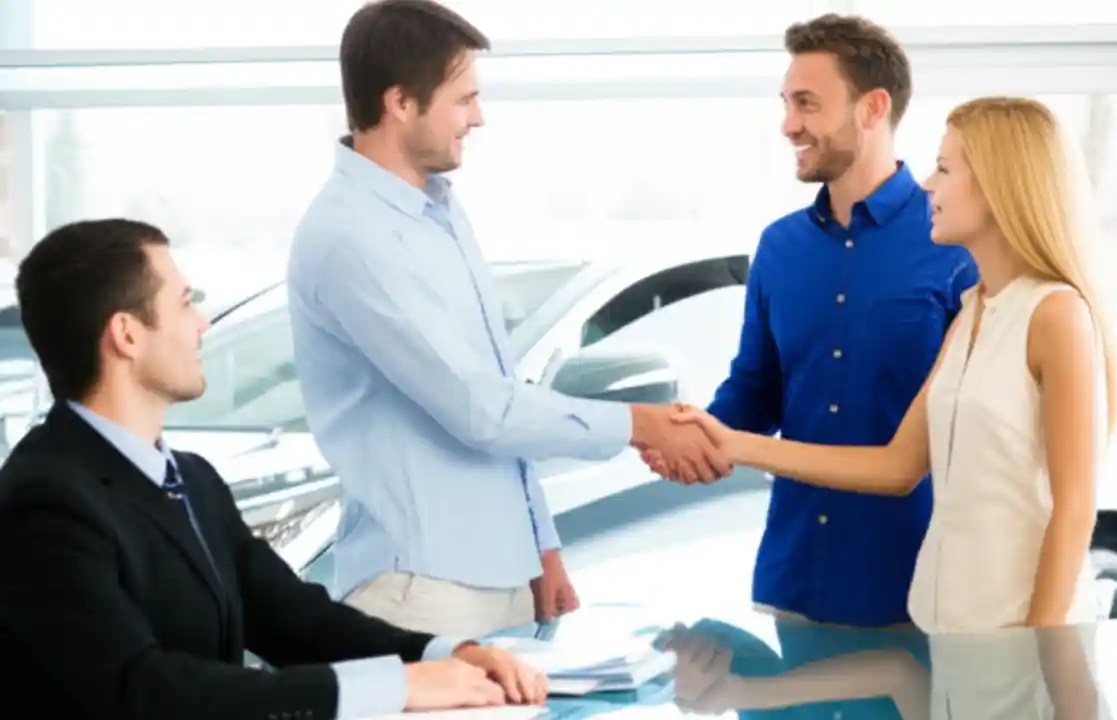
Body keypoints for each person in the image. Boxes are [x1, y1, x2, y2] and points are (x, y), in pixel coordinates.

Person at [287, 0, 729, 639]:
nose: (478, 117)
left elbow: (496, 387)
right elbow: (479, 409)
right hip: (422, 589)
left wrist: (539, 545)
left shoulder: (437, 211)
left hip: (500, 582)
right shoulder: (351, 236)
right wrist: (642, 424)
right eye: (463, 99)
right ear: (400, 103)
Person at [0, 219, 548, 720]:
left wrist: (450, 653)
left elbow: (297, 621)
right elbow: (143, 689)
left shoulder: (192, 479)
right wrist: (397, 688)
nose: (203, 323)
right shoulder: (44, 500)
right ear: (127, 335)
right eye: (186, 303)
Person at [666, 96, 1117, 634]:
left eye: (945, 169)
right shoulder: (973, 311)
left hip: (1019, 643)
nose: (928, 185)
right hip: (948, 629)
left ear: (1000, 187)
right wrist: (730, 442)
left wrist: (1032, 655)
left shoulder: (1055, 314)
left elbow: (1075, 510)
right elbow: (896, 466)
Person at [650, 14, 977, 628]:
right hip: (795, 581)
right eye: (786, 103)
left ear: (872, 108)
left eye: (806, 104)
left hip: (918, 588)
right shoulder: (778, 248)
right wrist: (695, 442)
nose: (788, 125)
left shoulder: (953, 243)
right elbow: (756, 387)